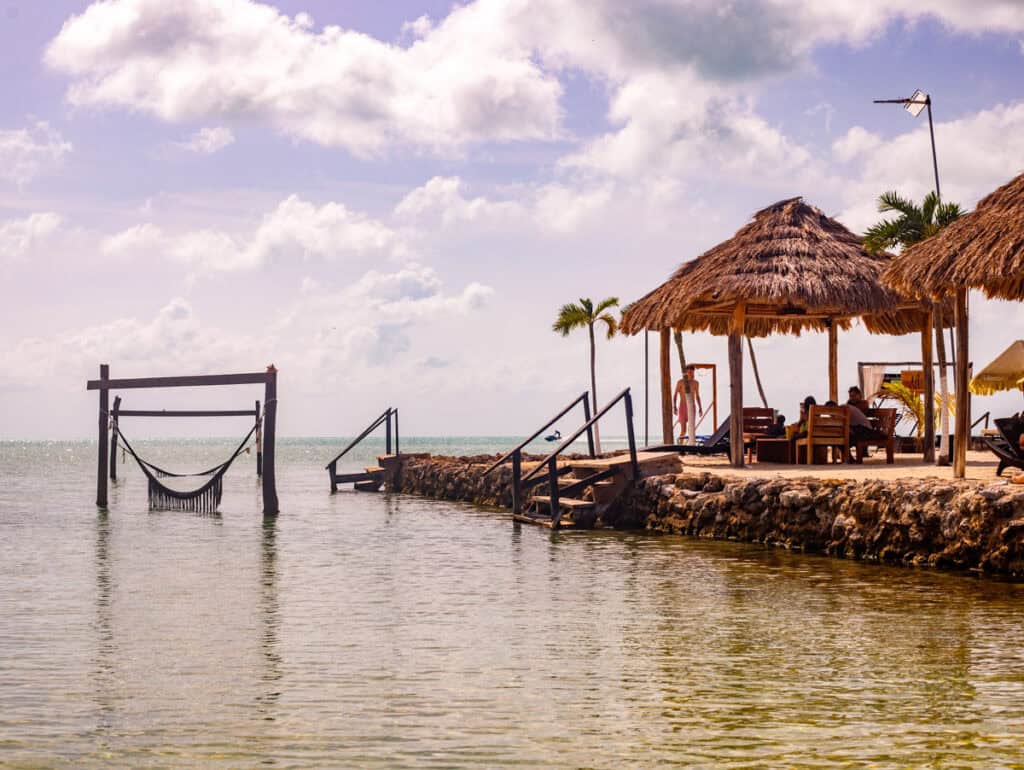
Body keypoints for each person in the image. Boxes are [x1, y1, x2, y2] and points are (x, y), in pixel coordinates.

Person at [673, 365, 703, 441]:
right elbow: (675, 394)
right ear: (686, 372)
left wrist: (700, 408)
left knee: (691, 430)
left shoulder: (696, 383)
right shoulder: (680, 382)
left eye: (692, 372)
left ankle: (690, 446)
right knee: (683, 430)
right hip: (682, 406)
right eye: (689, 372)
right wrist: (674, 407)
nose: (691, 374)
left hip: (692, 406)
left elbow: (697, 396)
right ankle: (680, 445)